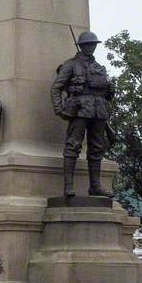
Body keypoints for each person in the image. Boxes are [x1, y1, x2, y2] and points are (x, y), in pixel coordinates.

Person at [50, 32, 114, 198]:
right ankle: (69, 186)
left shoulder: (99, 67)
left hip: (98, 111)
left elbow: (106, 92)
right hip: (79, 110)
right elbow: (57, 87)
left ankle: (95, 186)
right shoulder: (71, 65)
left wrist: (108, 92)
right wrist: (59, 108)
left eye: (93, 44)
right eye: (87, 44)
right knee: (73, 146)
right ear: (81, 46)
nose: (90, 47)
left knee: (97, 148)